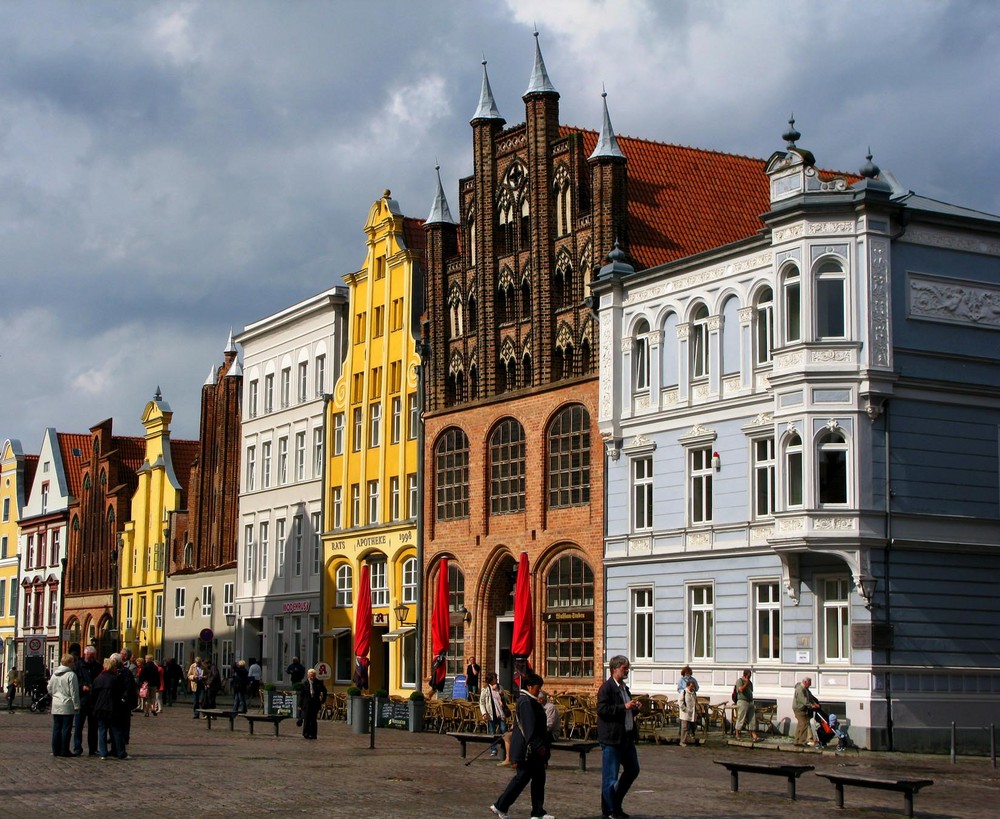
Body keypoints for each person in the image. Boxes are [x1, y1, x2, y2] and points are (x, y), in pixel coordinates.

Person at [489, 670, 554, 819]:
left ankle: (537, 812)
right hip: (528, 750)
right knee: (521, 779)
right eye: (538, 687)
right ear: (530, 686)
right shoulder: (526, 702)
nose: (539, 691)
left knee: (538, 779)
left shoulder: (529, 701)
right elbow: (529, 728)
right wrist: (540, 746)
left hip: (532, 750)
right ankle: (500, 806)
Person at [597, 655, 641, 819]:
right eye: (624, 668)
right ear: (615, 669)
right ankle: (609, 811)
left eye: (627, 667)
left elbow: (625, 711)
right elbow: (603, 710)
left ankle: (615, 801)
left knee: (633, 769)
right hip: (612, 739)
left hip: (626, 738)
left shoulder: (624, 688)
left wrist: (634, 708)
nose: (627, 670)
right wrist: (624, 706)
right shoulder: (606, 688)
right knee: (610, 777)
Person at [48, 652, 81, 757]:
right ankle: (64, 750)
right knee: (66, 729)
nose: (74, 664)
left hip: (56, 704)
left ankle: (55, 750)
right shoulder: (71, 675)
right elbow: (74, 692)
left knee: (56, 728)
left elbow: (49, 688)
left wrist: (54, 696)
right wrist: (77, 705)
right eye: (73, 662)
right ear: (69, 663)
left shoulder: (55, 674)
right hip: (67, 705)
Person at [92, 657, 124, 760]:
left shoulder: (98, 679)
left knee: (102, 730)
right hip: (112, 708)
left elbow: (94, 695)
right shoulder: (115, 679)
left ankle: (103, 752)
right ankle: (120, 752)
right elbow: (119, 694)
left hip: (100, 708)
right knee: (116, 730)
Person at [72, 645, 101, 755]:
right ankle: (77, 748)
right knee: (78, 726)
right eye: (90, 656)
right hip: (81, 700)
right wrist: (82, 686)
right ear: (85, 655)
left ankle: (93, 749)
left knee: (93, 727)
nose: (91, 658)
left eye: (93, 656)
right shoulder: (77, 666)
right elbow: (75, 681)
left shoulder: (98, 666)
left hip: (94, 700)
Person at [479, 672, 509, 759]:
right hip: (491, 713)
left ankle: (505, 748)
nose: (496, 679)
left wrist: (502, 694)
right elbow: (482, 702)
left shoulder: (500, 687)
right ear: (491, 680)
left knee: (504, 729)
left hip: (500, 713)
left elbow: (507, 698)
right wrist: (484, 713)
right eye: (495, 678)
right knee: (492, 732)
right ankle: (494, 749)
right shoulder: (485, 689)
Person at [297, 668, 327, 740]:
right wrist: (299, 705)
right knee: (306, 718)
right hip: (306, 703)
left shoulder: (318, 683)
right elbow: (302, 695)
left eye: (313, 676)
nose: (312, 677)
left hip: (315, 703)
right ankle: (306, 733)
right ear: (308, 676)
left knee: (313, 719)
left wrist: (322, 700)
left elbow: (325, 691)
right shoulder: (305, 684)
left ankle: (313, 734)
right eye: (310, 676)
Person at [733, 668, 759, 741]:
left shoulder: (750, 682)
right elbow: (740, 690)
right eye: (748, 676)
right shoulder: (740, 681)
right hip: (742, 701)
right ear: (745, 675)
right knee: (741, 717)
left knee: (752, 718)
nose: (749, 678)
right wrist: (746, 683)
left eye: (750, 676)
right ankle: (737, 734)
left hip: (750, 701)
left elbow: (751, 690)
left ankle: (753, 734)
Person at [793, 676, 820, 746]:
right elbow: (804, 700)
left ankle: (797, 741)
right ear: (805, 682)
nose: (810, 685)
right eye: (809, 684)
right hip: (799, 709)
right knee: (804, 724)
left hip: (803, 709)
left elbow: (810, 697)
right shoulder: (800, 689)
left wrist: (815, 703)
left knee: (800, 725)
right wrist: (812, 705)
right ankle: (801, 741)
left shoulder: (806, 689)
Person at [678, 679, 698, 746]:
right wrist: (685, 709)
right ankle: (682, 741)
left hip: (692, 712)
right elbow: (680, 702)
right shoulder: (684, 692)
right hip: (685, 713)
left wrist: (697, 709)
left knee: (693, 726)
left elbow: (695, 702)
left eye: (693, 686)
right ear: (688, 686)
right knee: (684, 728)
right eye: (691, 686)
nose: (692, 687)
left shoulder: (694, 693)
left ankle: (690, 739)